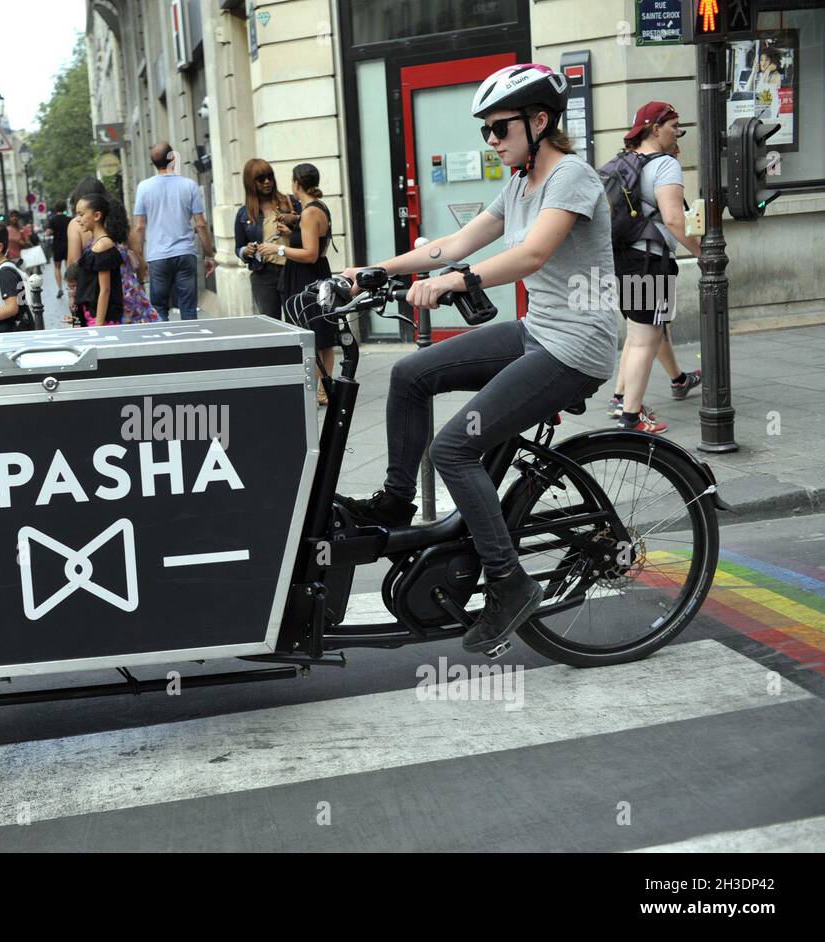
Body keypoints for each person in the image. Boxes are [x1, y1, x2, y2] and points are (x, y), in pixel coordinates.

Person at [339, 63, 616, 655]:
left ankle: (509, 583)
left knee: (454, 447)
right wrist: (369, 272)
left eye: (500, 128)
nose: (491, 140)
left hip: (576, 345)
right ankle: (395, 501)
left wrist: (456, 283)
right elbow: (453, 244)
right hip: (536, 330)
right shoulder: (517, 182)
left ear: (540, 121)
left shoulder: (571, 178)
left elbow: (533, 255)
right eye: (486, 131)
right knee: (410, 373)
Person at [606, 102, 704, 434]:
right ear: (655, 128)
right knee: (646, 338)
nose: (678, 133)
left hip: (625, 257)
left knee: (638, 335)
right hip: (651, 262)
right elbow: (675, 219)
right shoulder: (664, 165)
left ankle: (622, 402)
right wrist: (703, 253)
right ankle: (631, 418)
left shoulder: (622, 162)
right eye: (674, 125)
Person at [269, 164, 336, 404]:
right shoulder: (315, 209)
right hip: (315, 274)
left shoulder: (309, 213)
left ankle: (318, 388)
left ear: (296, 183)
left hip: (307, 277)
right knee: (322, 333)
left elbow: (310, 254)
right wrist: (293, 226)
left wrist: (278, 248)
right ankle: (323, 387)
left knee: (313, 334)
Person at [132, 142, 215, 320]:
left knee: (159, 309)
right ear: (174, 159)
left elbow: (139, 227)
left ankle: (165, 346)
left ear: (152, 163)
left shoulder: (144, 188)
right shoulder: (189, 185)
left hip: (157, 256)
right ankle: (191, 345)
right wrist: (209, 254)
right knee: (188, 308)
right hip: (185, 254)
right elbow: (200, 224)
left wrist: (140, 259)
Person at [235, 159, 302, 320]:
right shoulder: (244, 214)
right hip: (263, 273)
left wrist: (291, 231)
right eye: (261, 179)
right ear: (251, 182)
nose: (267, 182)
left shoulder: (289, 202)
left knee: (297, 320)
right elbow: (238, 247)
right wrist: (247, 251)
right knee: (272, 324)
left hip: (291, 269)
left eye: (270, 177)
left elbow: (308, 234)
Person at [73, 193, 127, 327]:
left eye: (81, 214)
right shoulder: (96, 244)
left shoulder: (103, 245)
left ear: (97, 216)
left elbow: (105, 289)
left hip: (101, 318)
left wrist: (98, 325)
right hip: (92, 315)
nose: (78, 219)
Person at [48, 203, 70, 298]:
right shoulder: (69, 219)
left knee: (57, 267)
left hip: (57, 246)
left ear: (56, 209)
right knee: (68, 266)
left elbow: (49, 232)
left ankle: (60, 288)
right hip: (68, 245)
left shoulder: (53, 220)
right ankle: (70, 286)